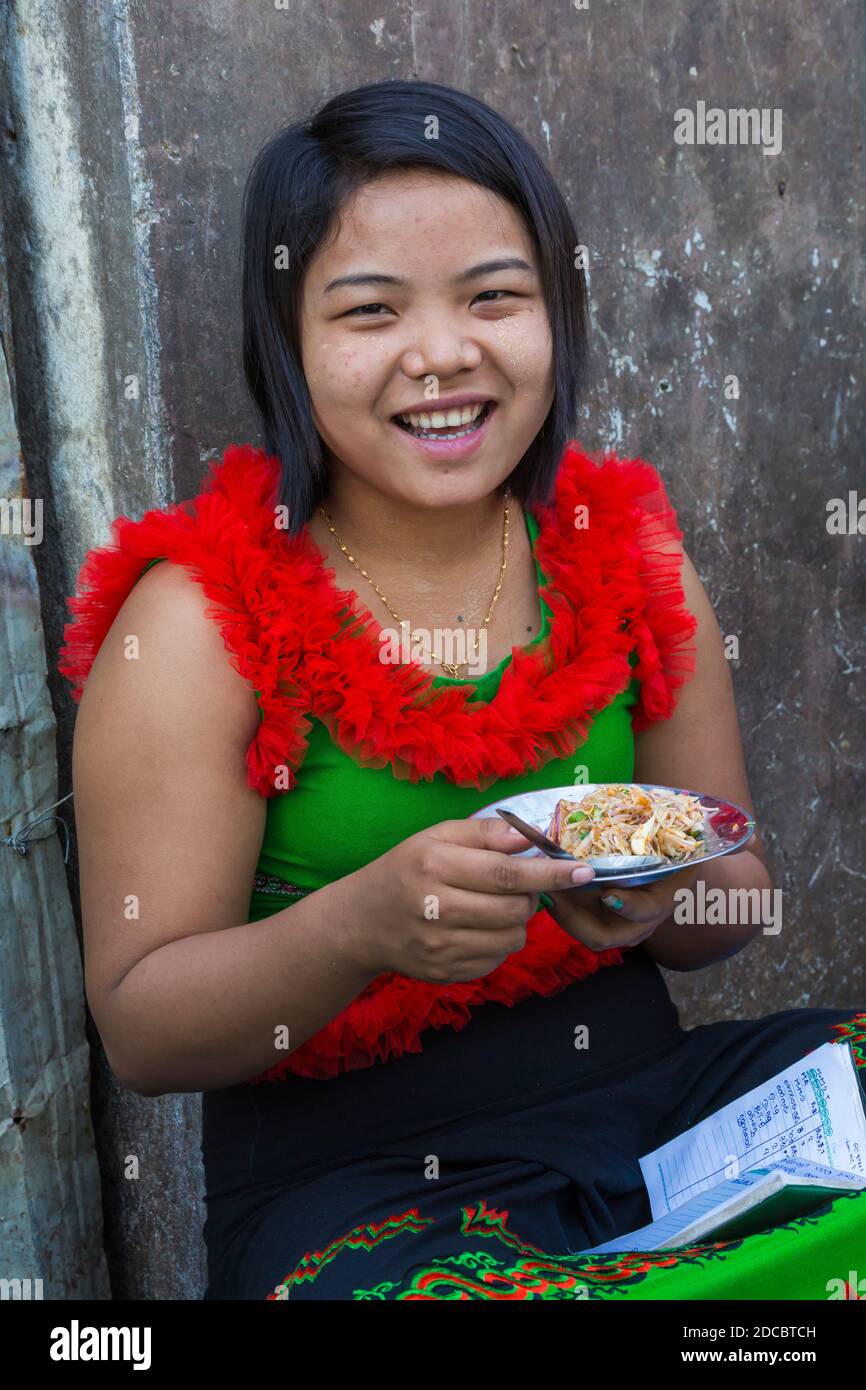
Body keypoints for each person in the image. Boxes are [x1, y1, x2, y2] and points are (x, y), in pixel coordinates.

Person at [60, 79, 865, 1301]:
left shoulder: (627, 555)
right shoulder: (193, 623)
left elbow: (734, 906)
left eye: (494, 296)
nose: (442, 354)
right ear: (287, 339)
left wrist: (656, 897)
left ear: (556, 313)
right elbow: (143, 1028)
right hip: (356, 1179)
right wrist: (360, 927)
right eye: (369, 312)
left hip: (650, 1108)